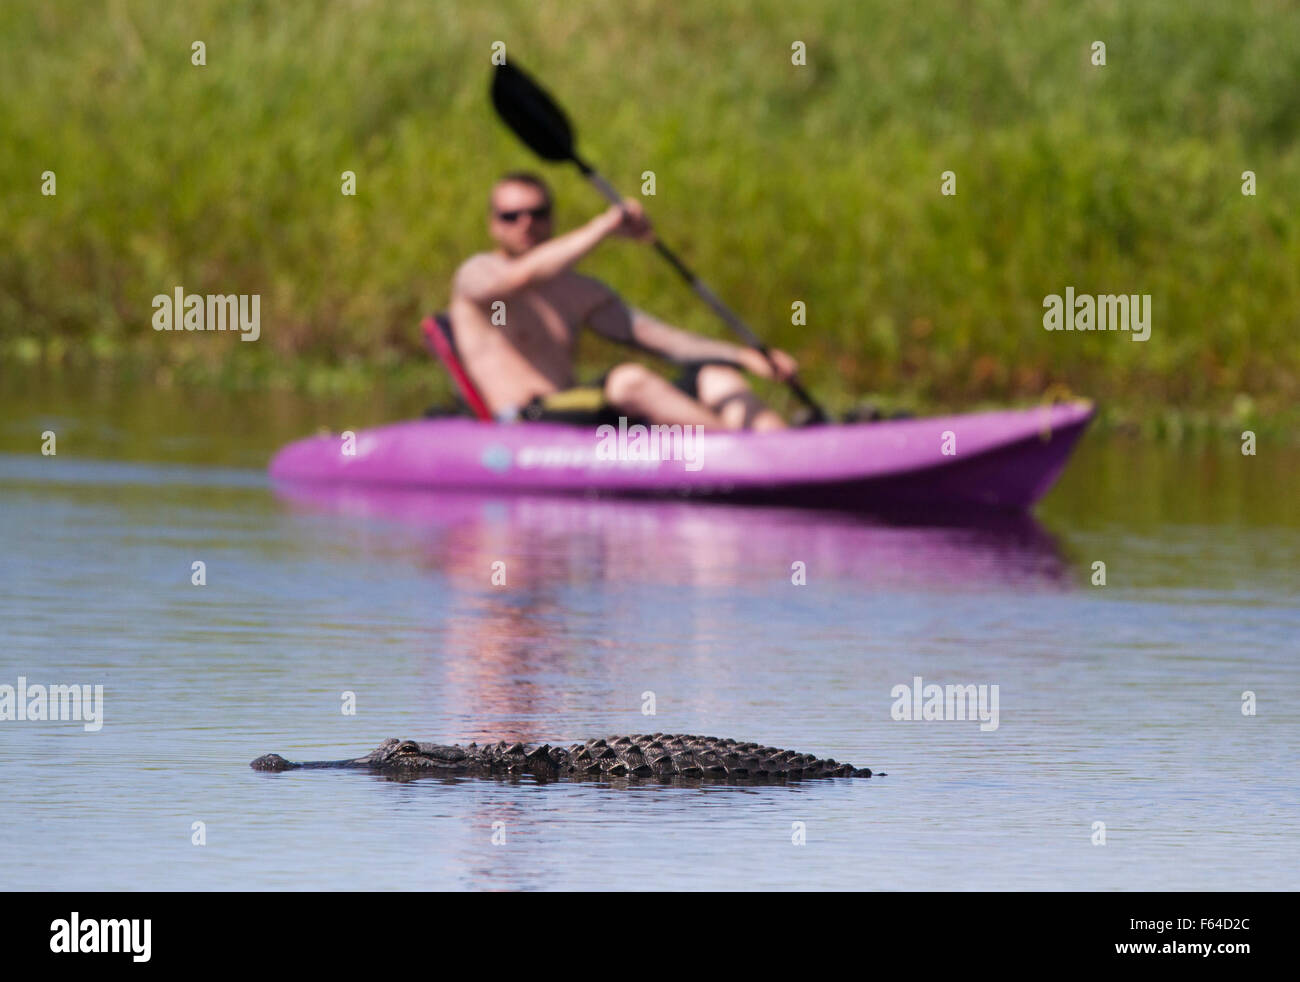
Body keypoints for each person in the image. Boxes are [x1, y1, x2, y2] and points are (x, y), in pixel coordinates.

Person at [447, 172, 797, 429]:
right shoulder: (477, 275)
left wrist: (745, 357)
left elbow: (663, 341)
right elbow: (518, 279)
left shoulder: (578, 290)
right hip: (525, 420)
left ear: (551, 218)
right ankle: (747, 458)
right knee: (629, 381)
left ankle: (788, 452)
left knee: (716, 377)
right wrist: (606, 226)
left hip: (582, 412)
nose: (526, 223)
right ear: (494, 225)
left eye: (538, 213)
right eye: (511, 216)